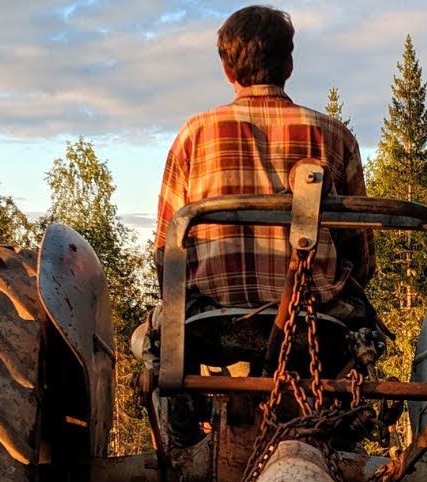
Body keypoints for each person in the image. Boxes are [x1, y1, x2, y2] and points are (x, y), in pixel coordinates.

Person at [152, 4, 374, 318]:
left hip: (210, 318)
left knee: (145, 337)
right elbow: (360, 256)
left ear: (227, 70)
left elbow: (166, 251)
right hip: (316, 315)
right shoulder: (336, 136)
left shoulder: (194, 135)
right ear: (289, 65)